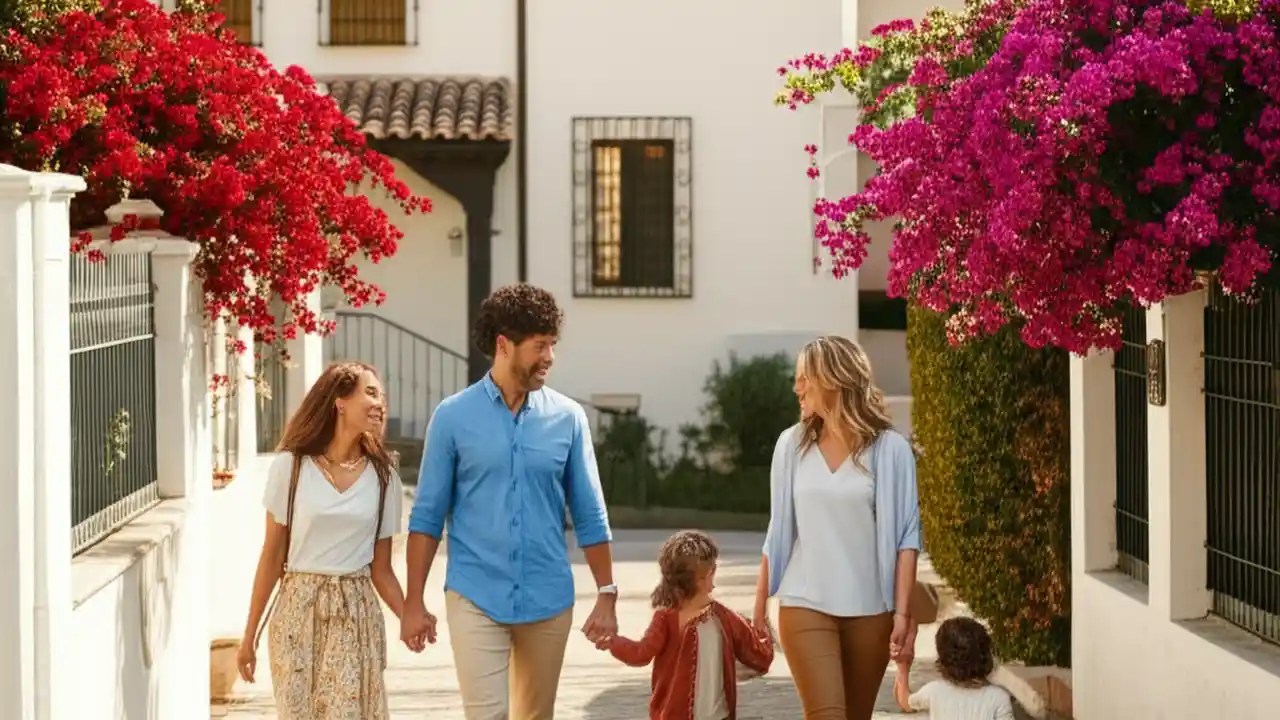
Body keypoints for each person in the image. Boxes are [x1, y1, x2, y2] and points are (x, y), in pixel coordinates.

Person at [400, 283, 617, 720]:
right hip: (475, 593)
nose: (550, 357)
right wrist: (413, 603)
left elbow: (590, 512)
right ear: (504, 345)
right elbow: (426, 517)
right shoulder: (453, 417)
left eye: (552, 345)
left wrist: (607, 593)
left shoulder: (568, 418)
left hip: (548, 598)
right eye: (540, 346)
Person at [752, 335, 923, 720]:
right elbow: (778, 529)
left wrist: (902, 614)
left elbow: (907, 539)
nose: (796, 387)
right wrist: (760, 603)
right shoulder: (791, 446)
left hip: (871, 610)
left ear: (831, 379)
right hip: (804, 602)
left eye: (804, 378)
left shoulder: (891, 450)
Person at [235, 361, 406, 719]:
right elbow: (271, 556)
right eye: (371, 392)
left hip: (355, 612)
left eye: (383, 396)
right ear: (340, 400)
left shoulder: (383, 475)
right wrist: (248, 636)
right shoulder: (291, 467)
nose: (380, 403)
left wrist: (410, 616)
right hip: (298, 610)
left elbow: (382, 569)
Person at [601, 530, 774, 720]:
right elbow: (641, 653)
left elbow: (757, 653)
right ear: (707, 575)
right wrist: (614, 643)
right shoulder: (667, 618)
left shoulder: (723, 618)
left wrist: (762, 626)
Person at [895, 617, 1015, 719]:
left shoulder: (934, 691)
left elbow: (904, 701)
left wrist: (903, 666)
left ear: (943, 659)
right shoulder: (999, 698)